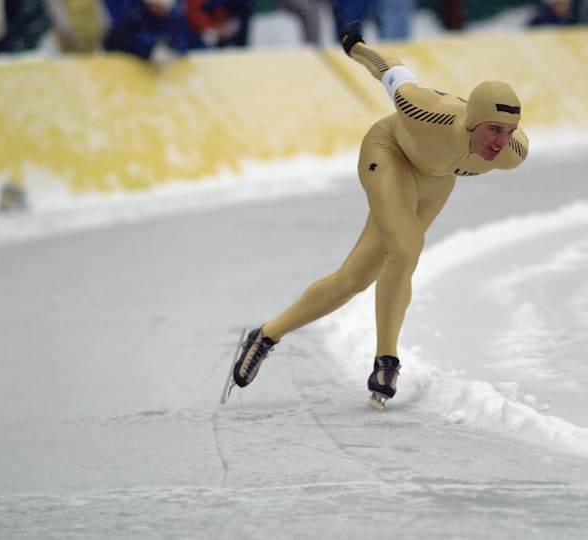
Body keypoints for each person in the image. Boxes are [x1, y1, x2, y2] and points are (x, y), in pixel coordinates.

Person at [221, 21, 530, 409]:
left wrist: (503, 140)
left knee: (355, 278)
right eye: (494, 130)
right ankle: (387, 360)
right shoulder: (425, 110)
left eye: (510, 131)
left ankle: (265, 336)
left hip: (435, 181)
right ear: (472, 120)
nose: (500, 143)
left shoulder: (511, 154)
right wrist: (357, 45)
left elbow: (503, 145)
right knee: (407, 246)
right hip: (388, 152)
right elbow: (392, 70)